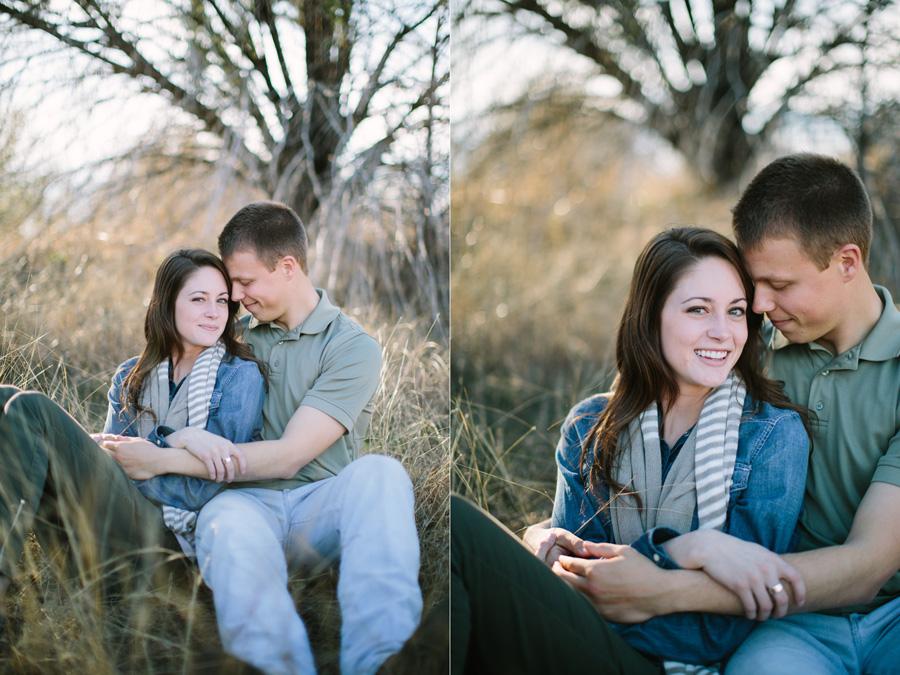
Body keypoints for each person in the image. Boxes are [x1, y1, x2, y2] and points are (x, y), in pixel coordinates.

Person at [541, 155, 900, 675]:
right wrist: (541, 537)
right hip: (787, 624)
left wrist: (663, 585)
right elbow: (624, 442)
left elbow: (868, 568)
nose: (757, 306)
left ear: (847, 262)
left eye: (779, 285)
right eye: (753, 287)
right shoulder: (744, 347)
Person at [451, 227, 810, 673]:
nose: (722, 332)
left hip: (672, 664)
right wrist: (691, 550)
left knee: (459, 530)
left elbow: (723, 630)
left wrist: (630, 583)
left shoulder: (772, 436)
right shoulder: (590, 425)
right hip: (586, 639)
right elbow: (572, 574)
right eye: (698, 309)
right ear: (650, 317)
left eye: (735, 311)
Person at [101, 201, 423, 675]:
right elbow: (163, 379)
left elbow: (290, 456)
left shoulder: (351, 347)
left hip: (318, 506)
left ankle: (381, 657)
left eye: (245, 282)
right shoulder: (229, 334)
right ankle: (274, 664)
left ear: (288, 267)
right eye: (230, 285)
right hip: (239, 501)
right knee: (227, 521)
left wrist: (164, 458)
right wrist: (174, 438)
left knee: (382, 474)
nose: (234, 297)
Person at [0, 248, 265, 598]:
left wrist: (149, 458)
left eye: (221, 301)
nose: (214, 313)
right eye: (199, 299)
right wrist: (177, 442)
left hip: (169, 547)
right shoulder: (131, 374)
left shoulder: (238, 376)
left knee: (30, 408)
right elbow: (115, 459)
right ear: (167, 304)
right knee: (5, 398)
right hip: (113, 524)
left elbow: (204, 490)